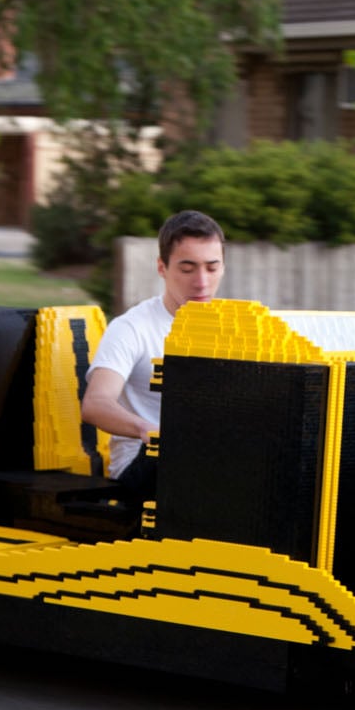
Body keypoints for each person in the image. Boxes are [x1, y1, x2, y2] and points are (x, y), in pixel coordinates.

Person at [81, 210, 226, 498]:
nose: (201, 282)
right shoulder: (131, 328)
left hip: (209, 458)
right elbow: (95, 404)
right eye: (187, 269)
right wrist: (149, 429)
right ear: (162, 267)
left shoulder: (234, 326)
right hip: (144, 466)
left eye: (212, 268)